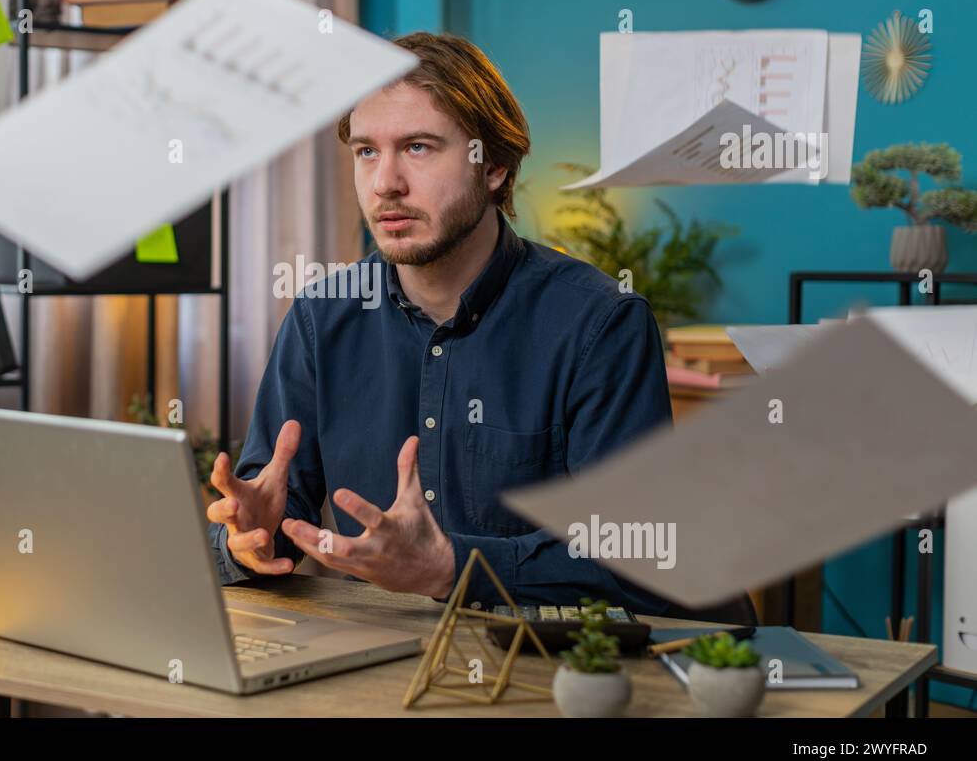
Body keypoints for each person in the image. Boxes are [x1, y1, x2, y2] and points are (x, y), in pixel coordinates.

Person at [206, 31, 751, 621]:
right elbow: (269, 520)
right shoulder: (321, 319)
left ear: (492, 166)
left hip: (566, 673)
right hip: (388, 665)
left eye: (417, 148)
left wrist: (451, 567)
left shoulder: (599, 323)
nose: (385, 182)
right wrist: (249, 542)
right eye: (366, 151)